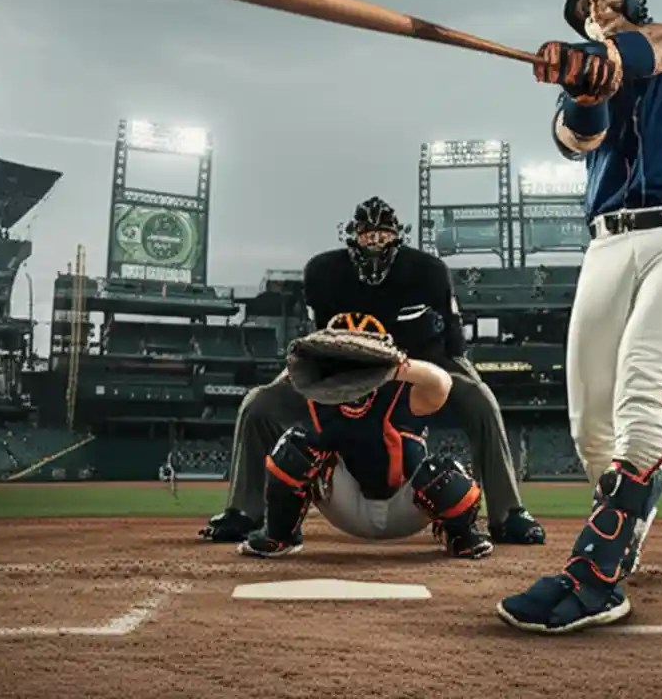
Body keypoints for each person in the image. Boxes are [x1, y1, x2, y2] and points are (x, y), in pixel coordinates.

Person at [497, 0, 662, 633]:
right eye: (585, 7)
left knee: (643, 384)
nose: (596, 9)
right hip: (607, 243)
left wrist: (609, 57)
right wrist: (584, 89)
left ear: (634, 0)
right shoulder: (584, 73)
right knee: (590, 423)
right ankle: (621, 540)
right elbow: (578, 140)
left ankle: (595, 573)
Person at [199, 197, 545, 545]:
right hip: (346, 363)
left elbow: (453, 339)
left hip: (417, 362)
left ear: (397, 236)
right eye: (368, 234)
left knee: (481, 400)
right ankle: (245, 511)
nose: (376, 241)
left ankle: (507, 513)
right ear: (353, 236)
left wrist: (448, 369)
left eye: (383, 234)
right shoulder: (323, 272)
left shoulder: (428, 270)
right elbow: (319, 337)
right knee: (258, 405)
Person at [239, 313, 494, 559]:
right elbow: (271, 398)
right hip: (345, 505)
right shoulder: (315, 393)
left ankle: (461, 535)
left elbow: (442, 382)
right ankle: (280, 535)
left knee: (442, 472)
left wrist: (395, 366)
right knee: (294, 446)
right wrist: (314, 361)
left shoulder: (403, 394)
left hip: (405, 506)